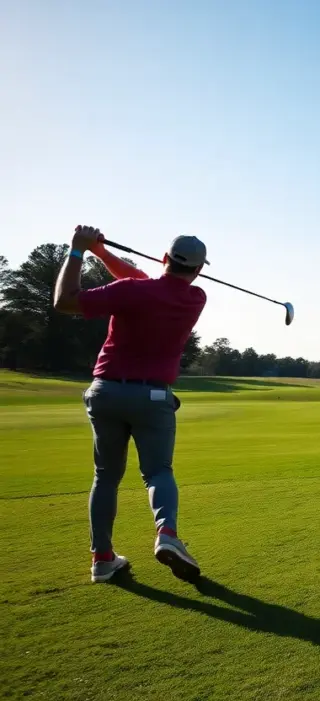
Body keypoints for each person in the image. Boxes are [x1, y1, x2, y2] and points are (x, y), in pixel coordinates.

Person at [53, 225, 209, 584]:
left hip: (105, 392)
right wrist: (101, 253)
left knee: (105, 477)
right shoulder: (195, 298)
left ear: (165, 258)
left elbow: (65, 301)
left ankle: (102, 559)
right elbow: (142, 281)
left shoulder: (131, 291)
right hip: (154, 398)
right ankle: (167, 534)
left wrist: (79, 250)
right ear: (199, 270)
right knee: (158, 472)